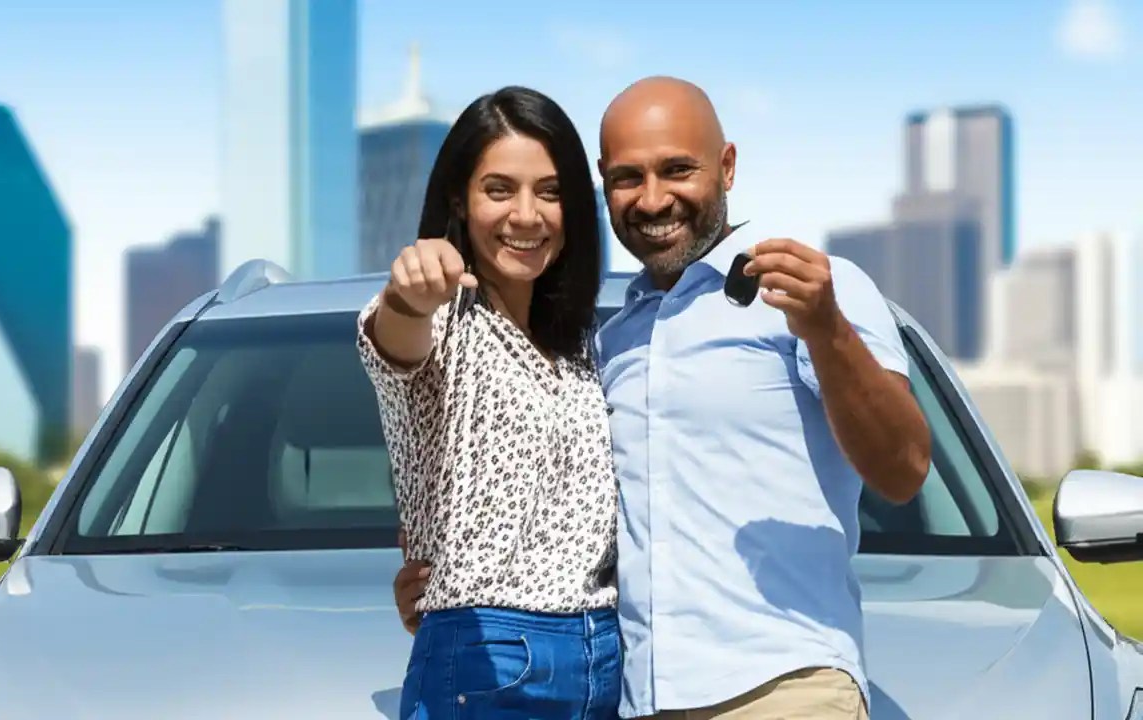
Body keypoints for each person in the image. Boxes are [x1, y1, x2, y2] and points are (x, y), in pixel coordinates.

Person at [394, 76, 932, 720]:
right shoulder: (608, 342)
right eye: (628, 178)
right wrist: (458, 573)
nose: (653, 199)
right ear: (602, 184)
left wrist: (827, 330)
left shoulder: (817, 293)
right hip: (620, 695)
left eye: (678, 170)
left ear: (727, 167)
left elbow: (902, 470)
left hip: (780, 687)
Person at [357, 85, 621, 719]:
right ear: (460, 201)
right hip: (488, 659)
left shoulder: (585, 349)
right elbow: (392, 342)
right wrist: (410, 295)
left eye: (550, 192)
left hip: (609, 657)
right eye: (499, 189)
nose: (526, 215)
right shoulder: (447, 320)